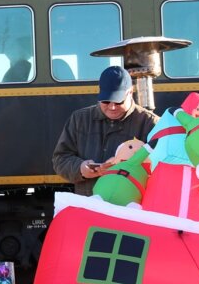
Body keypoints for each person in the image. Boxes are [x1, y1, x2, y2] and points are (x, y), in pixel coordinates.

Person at [52, 65, 157, 196]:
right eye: (106, 101)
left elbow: (163, 169)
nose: (112, 107)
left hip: (130, 206)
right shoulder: (79, 119)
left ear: (130, 92)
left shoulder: (150, 123)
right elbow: (60, 159)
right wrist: (80, 169)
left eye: (119, 101)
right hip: (89, 205)